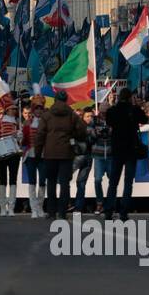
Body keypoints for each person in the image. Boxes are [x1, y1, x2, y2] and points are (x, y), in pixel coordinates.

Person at [35, 90, 84, 219]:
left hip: (50, 153)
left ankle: (51, 212)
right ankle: (62, 213)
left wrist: (38, 153)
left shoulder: (47, 115)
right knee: (64, 184)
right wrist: (72, 135)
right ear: (66, 99)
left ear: (55, 100)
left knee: (51, 182)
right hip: (66, 153)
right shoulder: (72, 115)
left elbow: (40, 135)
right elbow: (82, 131)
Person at [104, 89, 147, 222]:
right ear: (130, 98)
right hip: (131, 149)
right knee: (128, 182)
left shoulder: (113, 111)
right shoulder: (134, 110)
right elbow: (144, 119)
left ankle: (109, 211)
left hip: (117, 149)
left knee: (113, 182)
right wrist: (136, 106)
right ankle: (123, 212)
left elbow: (109, 122)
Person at [0, 95, 23, 217]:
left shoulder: (18, 123)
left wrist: (20, 136)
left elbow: (21, 141)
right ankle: (3, 207)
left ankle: (12, 207)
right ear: (7, 110)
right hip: (2, 153)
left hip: (14, 154)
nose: (14, 111)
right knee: (3, 180)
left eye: (15, 109)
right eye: (12, 109)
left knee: (13, 180)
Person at [89, 102, 112, 215]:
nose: (104, 115)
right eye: (102, 112)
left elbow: (118, 133)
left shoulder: (113, 120)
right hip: (98, 154)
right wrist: (96, 133)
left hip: (110, 154)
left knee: (113, 181)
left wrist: (110, 132)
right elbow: (88, 132)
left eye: (106, 113)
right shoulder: (94, 120)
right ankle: (99, 203)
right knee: (97, 180)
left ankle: (110, 204)